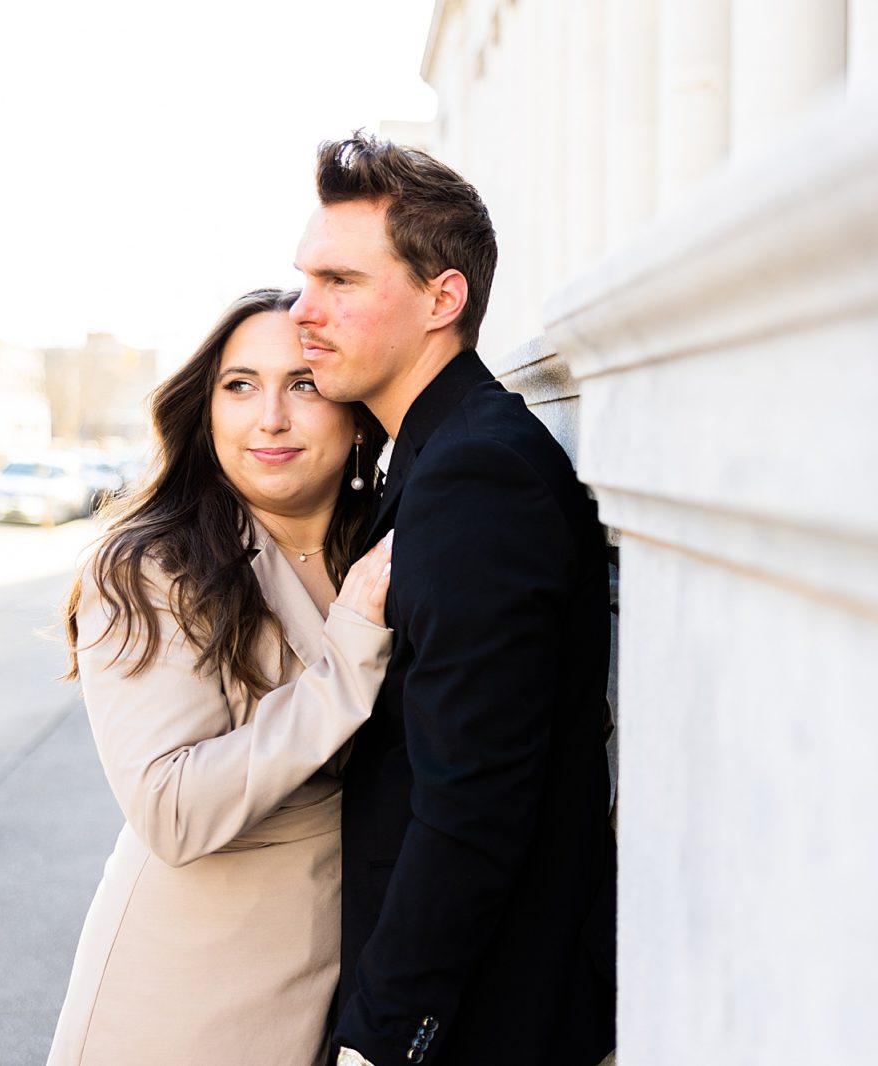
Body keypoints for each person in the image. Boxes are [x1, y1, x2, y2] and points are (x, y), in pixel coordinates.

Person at [291, 133, 616, 1066]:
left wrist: (385, 1038)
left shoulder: (477, 473)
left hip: (487, 1018)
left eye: (341, 282)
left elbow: (472, 797)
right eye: (304, 279)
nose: (304, 312)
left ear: (444, 298)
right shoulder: (437, 456)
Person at [48, 288, 397, 1066]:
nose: (269, 416)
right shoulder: (152, 566)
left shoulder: (378, 546)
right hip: (186, 999)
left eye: (302, 383)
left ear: (353, 406)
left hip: (335, 986)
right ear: (204, 411)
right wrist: (351, 653)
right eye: (239, 385)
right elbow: (170, 810)